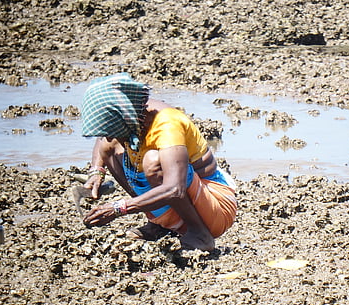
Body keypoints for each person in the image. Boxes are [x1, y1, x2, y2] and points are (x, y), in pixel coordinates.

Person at [80, 73, 237, 251]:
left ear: (125, 117)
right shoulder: (134, 114)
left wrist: (119, 208)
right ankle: (160, 223)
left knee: (153, 161)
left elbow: (174, 189)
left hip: (214, 207)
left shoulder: (167, 124)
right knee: (108, 148)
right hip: (184, 199)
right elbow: (103, 140)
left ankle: (199, 233)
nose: (107, 136)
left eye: (111, 129)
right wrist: (96, 170)